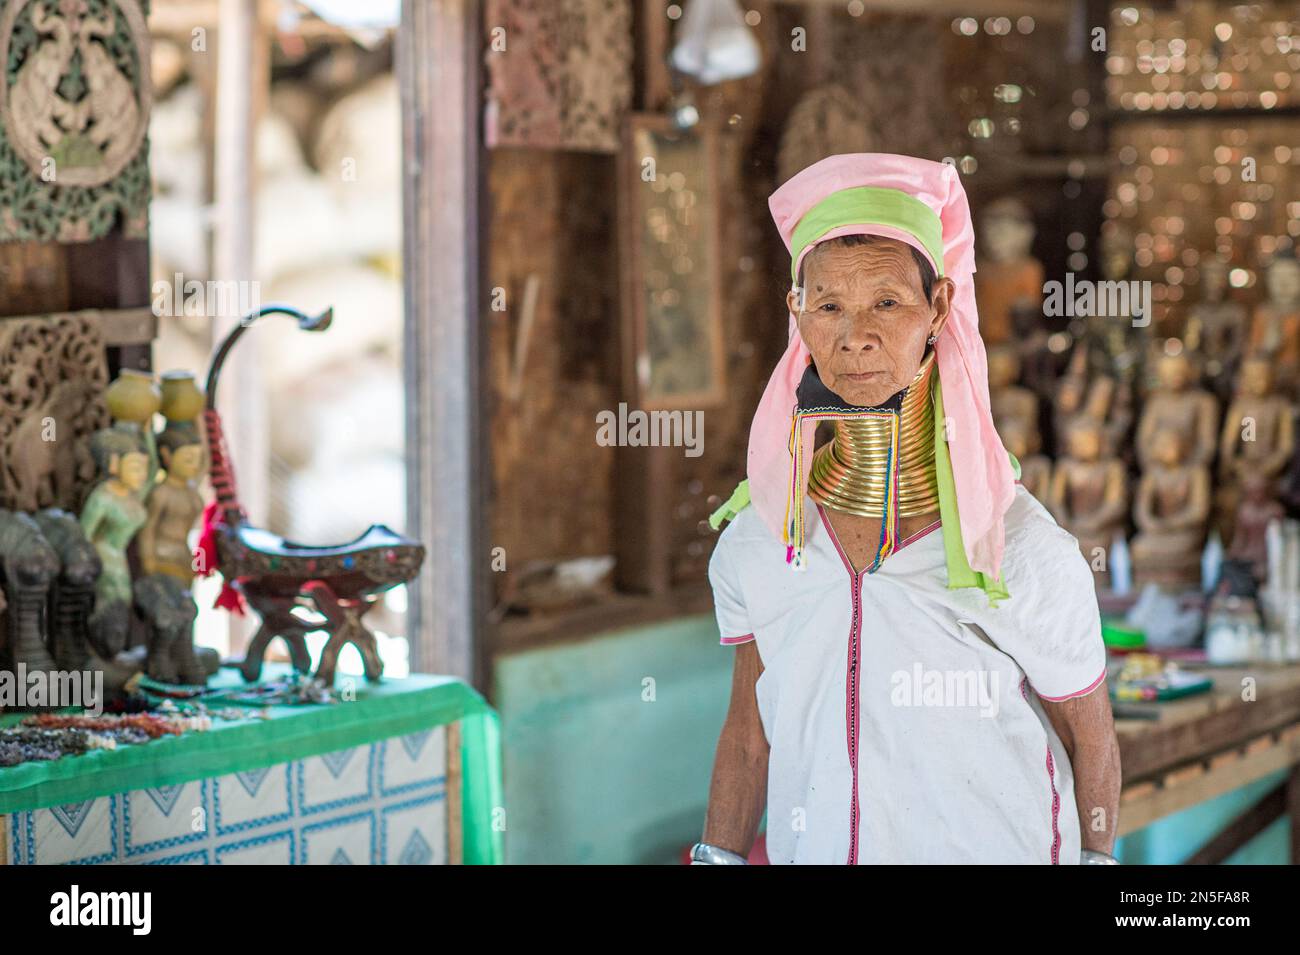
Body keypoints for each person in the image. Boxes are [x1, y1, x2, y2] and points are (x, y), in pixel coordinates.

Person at [695, 154, 1120, 865]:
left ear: (940, 307)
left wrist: (1100, 859)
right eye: (828, 304)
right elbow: (748, 730)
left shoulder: (1014, 549)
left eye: (887, 302)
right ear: (795, 311)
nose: (855, 334)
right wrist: (718, 856)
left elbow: (1092, 733)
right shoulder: (760, 542)